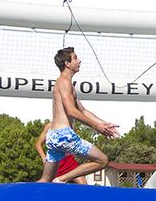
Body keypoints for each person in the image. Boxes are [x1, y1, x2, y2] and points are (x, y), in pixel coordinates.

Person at [38, 47, 118, 184]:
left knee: (45, 180)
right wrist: (96, 126)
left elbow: (83, 111)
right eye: (75, 58)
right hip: (64, 136)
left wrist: (104, 124)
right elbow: (71, 110)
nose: (79, 60)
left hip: (54, 137)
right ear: (67, 64)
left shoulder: (66, 83)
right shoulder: (64, 82)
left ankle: (27, 200)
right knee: (103, 160)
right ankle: (62, 179)